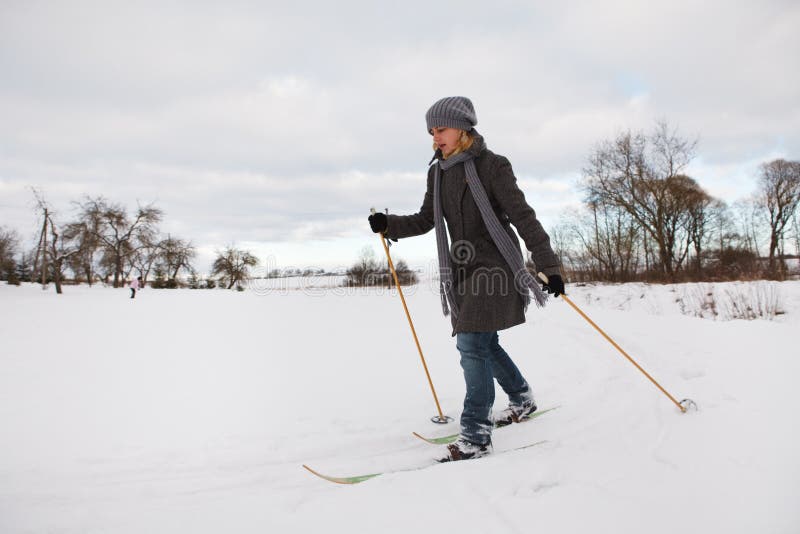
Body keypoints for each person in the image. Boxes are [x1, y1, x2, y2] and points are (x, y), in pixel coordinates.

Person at [368, 96, 565, 462]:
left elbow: (524, 217)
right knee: (485, 343)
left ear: (462, 128)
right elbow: (428, 219)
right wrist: (389, 224)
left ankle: (476, 434)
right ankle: (522, 397)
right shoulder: (438, 172)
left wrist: (548, 265)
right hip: (462, 271)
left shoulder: (493, 166)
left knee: (472, 343)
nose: (435, 137)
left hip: (497, 267)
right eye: (431, 131)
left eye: (440, 129)